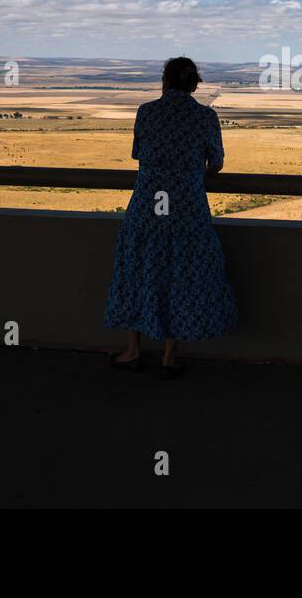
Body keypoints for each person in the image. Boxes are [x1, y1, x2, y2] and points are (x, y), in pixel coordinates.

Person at [103, 56, 238, 379]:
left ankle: (133, 350)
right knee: (181, 274)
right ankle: (168, 356)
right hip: (187, 209)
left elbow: (138, 154)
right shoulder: (206, 117)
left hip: (146, 206)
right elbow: (216, 162)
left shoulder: (146, 112)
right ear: (194, 85)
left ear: (164, 81)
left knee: (138, 268)